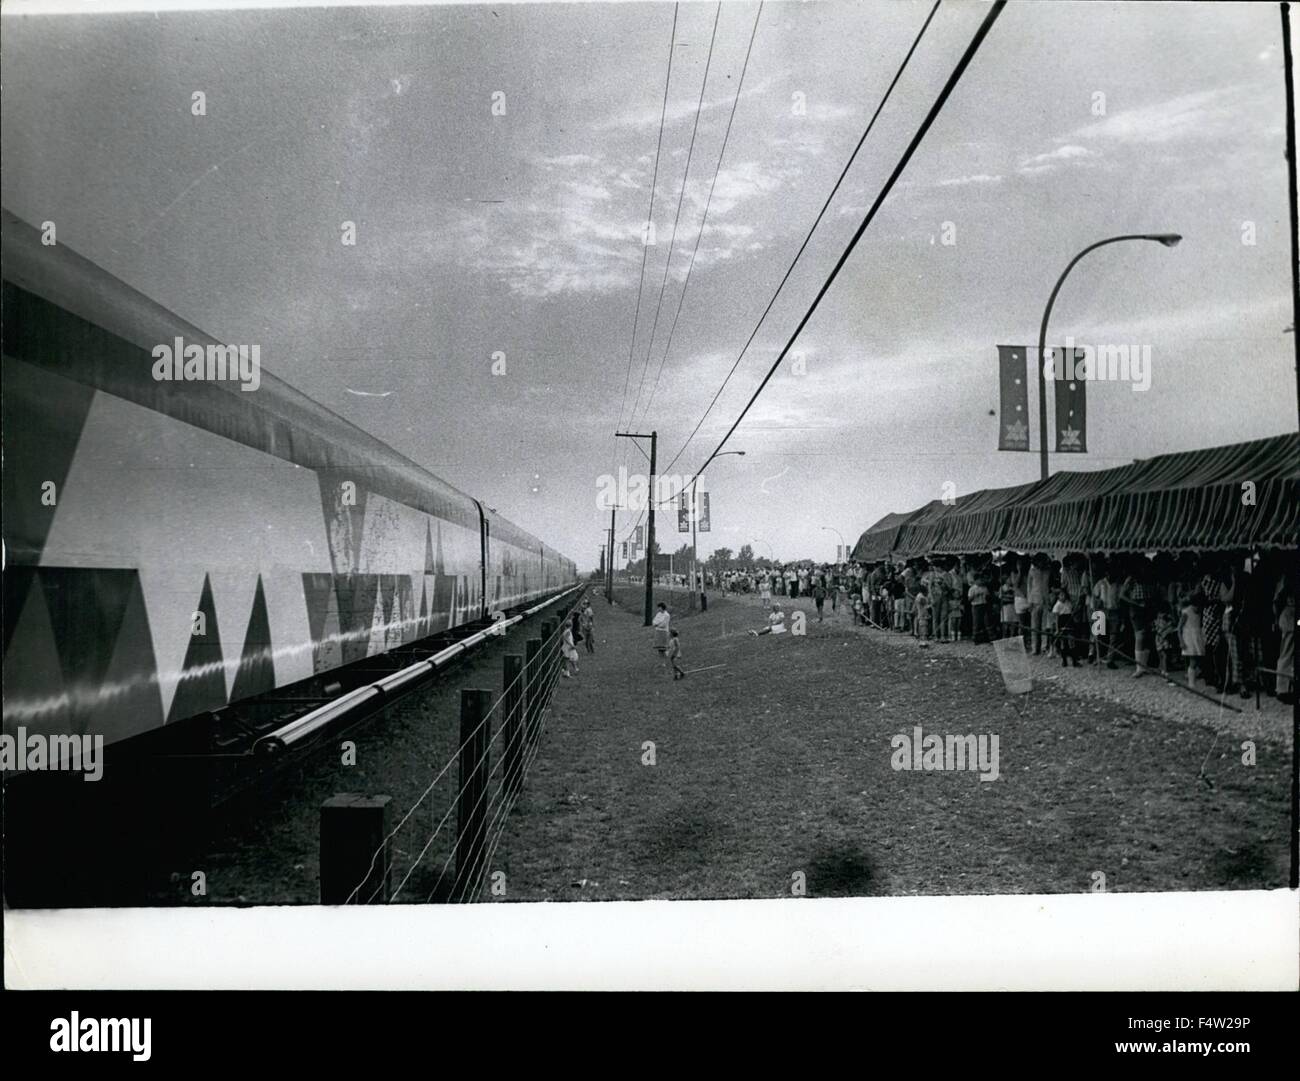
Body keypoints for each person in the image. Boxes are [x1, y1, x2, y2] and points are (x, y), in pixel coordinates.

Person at [1177, 592, 1204, 687]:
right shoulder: (1186, 612)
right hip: (1189, 638)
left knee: (1197, 659)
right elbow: (1179, 628)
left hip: (1197, 637)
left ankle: (1192, 677)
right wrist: (1181, 642)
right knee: (1193, 660)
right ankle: (1191, 683)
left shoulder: (1200, 612)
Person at [1051, 589, 1078, 666]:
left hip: (1069, 623)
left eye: (1064, 595)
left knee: (1071, 642)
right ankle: (1064, 661)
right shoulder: (1057, 605)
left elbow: (1071, 612)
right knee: (1063, 643)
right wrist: (1057, 629)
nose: (1063, 597)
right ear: (1058, 596)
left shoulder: (1068, 603)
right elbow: (1056, 619)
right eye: (1061, 595)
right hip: (1061, 624)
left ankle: (1074, 661)